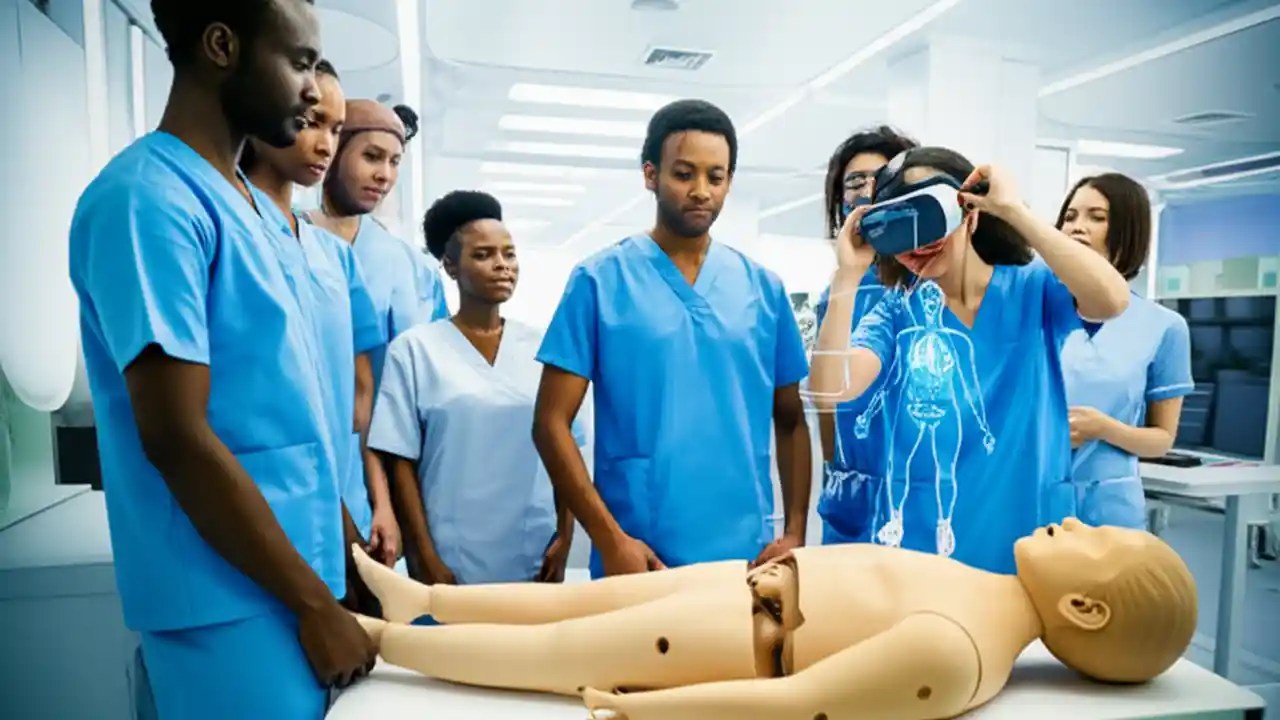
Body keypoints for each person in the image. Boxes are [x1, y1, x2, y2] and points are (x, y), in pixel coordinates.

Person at [67, 2, 374, 717]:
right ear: (220, 46)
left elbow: (286, 414)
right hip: (225, 597)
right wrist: (310, 600)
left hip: (295, 575)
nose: (312, 89)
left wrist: (343, 554)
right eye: (298, 62)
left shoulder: (252, 208)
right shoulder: (148, 200)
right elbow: (176, 435)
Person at [349, 517, 1197, 720]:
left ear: (1084, 607)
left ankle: (383, 642)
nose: (1075, 523)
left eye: (1094, 540)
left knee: (555, 648)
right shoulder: (982, 586)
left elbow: (802, 704)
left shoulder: (961, 652)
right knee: (572, 597)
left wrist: (637, 706)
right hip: (749, 585)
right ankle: (418, 601)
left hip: (736, 640)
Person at [810, 147, 1131, 575]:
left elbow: (1112, 299)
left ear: (969, 213)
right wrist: (847, 276)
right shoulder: (895, 310)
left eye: (927, 221)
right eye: (899, 233)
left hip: (1024, 538)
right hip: (922, 548)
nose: (916, 247)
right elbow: (832, 387)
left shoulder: (1035, 290)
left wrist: (1013, 210)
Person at [532, 99, 812, 579]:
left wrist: (796, 532)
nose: (701, 191)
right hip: (638, 555)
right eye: (684, 174)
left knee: (740, 657)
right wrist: (610, 540)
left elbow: (789, 421)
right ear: (650, 175)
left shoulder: (763, 289)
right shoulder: (599, 281)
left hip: (744, 554)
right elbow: (550, 423)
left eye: (716, 177)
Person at [368, 190, 585, 586]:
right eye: (483, 255)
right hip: (451, 560)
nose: (502, 266)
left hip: (533, 554)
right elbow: (401, 464)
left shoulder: (544, 350)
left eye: (509, 253)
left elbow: (565, 447)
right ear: (450, 266)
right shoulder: (416, 351)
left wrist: (566, 534)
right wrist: (423, 554)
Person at [240, 60, 401, 567]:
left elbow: (361, 403)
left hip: (344, 499)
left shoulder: (334, 257)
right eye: (311, 121)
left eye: (334, 128)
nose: (325, 143)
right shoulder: (231, 234)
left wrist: (379, 502)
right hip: (263, 511)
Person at [1056, 174, 1193, 529]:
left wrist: (1104, 428)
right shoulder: (1032, 310)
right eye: (1069, 217)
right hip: (1029, 497)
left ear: (1127, 230)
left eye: (1096, 217)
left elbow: (1161, 440)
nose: (1077, 228)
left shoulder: (1164, 327)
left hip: (1109, 508)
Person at [812, 126, 917, 546]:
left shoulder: (929, 282)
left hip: (916, 480)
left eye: (883, 178)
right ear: (840, 202)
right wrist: (833, 461)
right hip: (852, 484)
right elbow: (826, 396)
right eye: (855, 182)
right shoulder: (839, 289)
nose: (869, 190)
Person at [306, 99, 448, 390]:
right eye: (371, 156)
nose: (384, 175)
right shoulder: (283, 237)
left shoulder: (417, 271)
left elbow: (435, 375)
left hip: (390, 433)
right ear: (333, 153)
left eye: (394, 162)